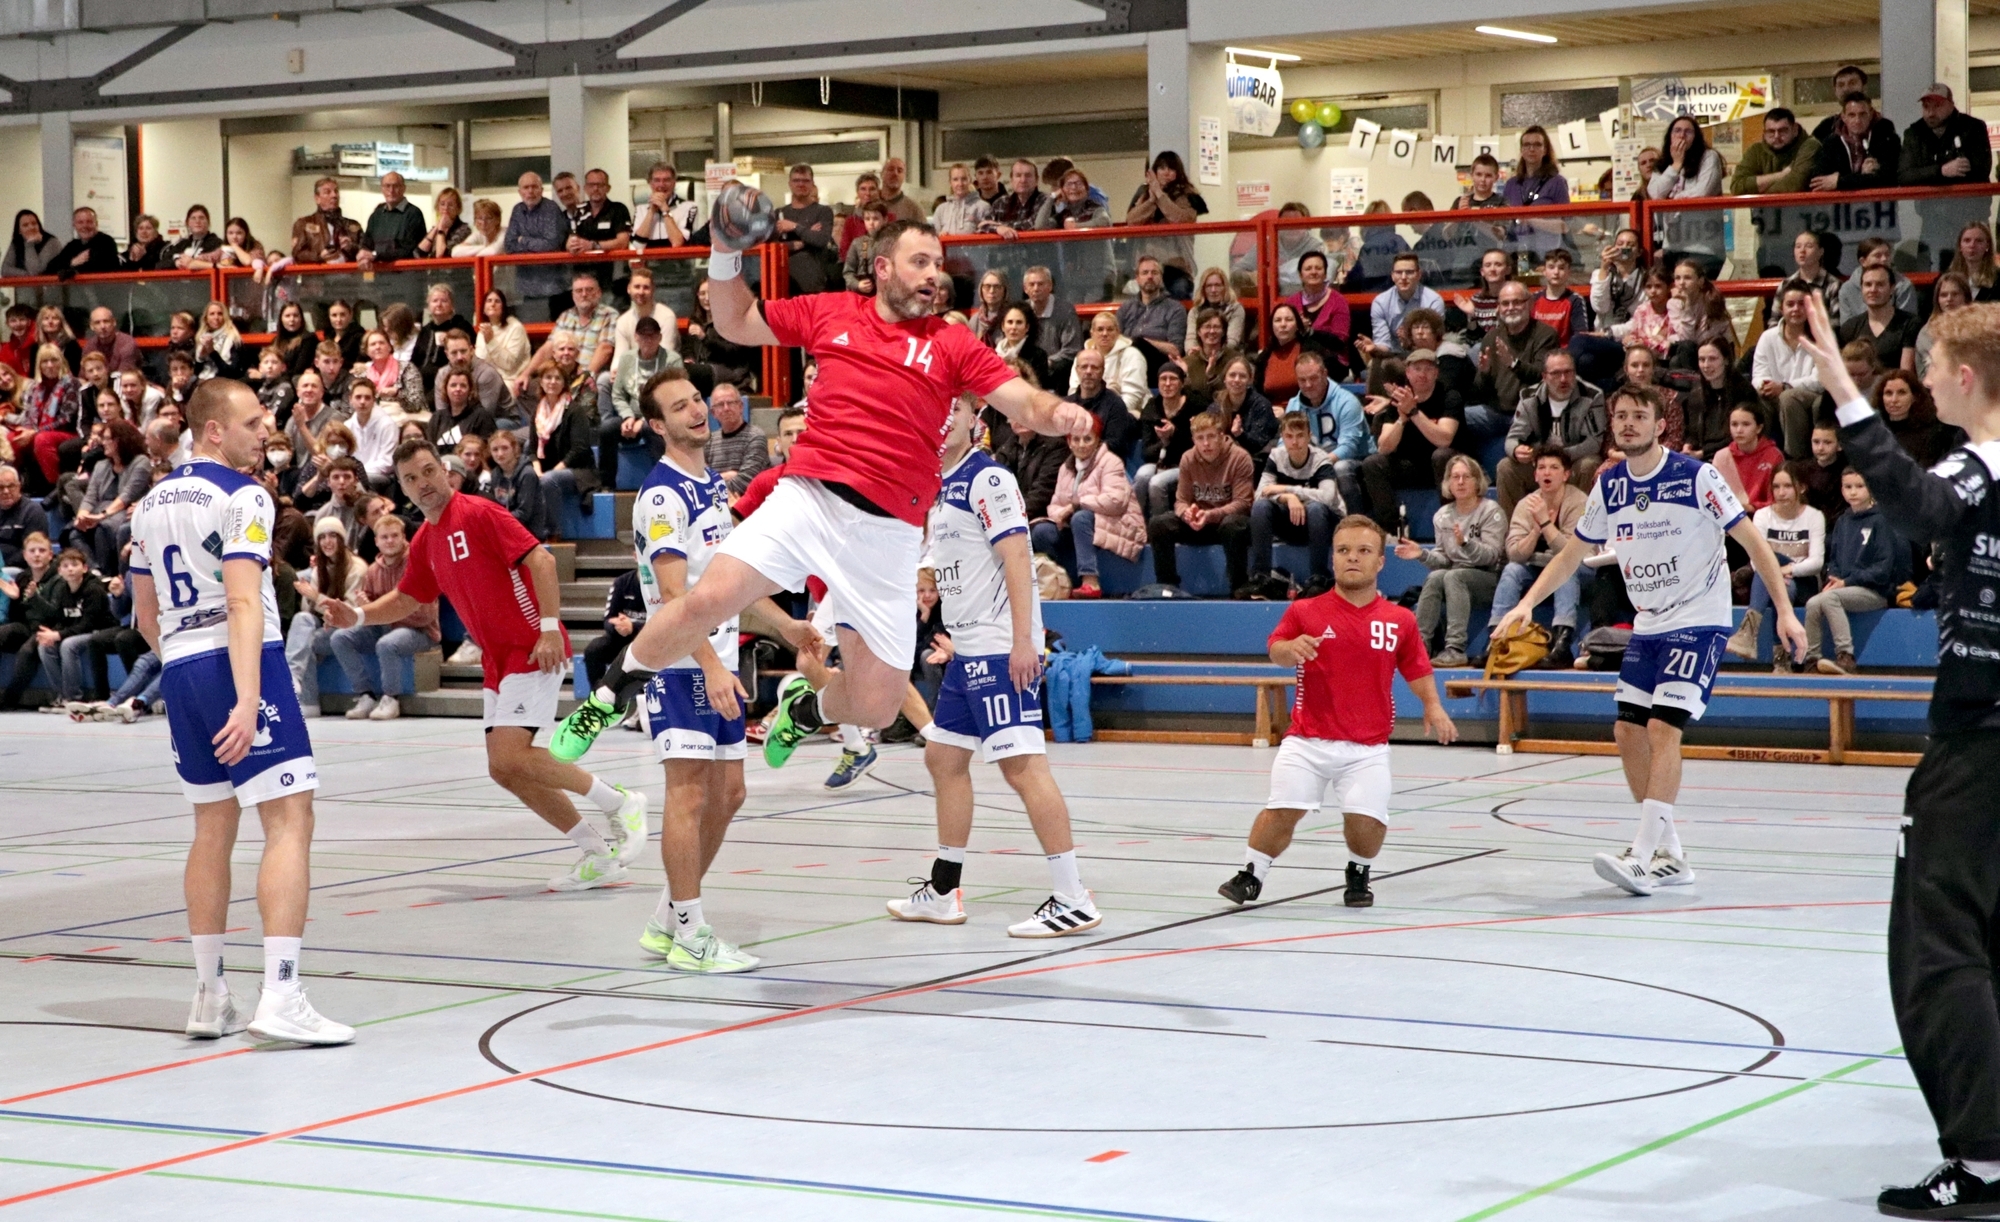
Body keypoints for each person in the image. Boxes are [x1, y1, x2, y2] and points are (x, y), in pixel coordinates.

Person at [616, 210, 1090, 767]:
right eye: (919, 262)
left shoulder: (951, 343)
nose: (933, 274)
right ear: (884, 268)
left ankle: (808, 710)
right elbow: (737, 320)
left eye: (937, 265)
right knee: (710, 598)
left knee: (878, 706)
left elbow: (1026, 401)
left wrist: (1061, 413)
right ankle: (608, 693)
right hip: (811, 498)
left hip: (888, 532)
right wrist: (723, 250)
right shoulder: (833, 312)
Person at [1767, 298, 2000, 1215]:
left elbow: (1924, 506)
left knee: (1937, 946)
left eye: (1934, 365)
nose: (1927, 380)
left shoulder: (1980, 463)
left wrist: (1842, 390)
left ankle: (1982, 1162)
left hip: (1981, 731)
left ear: (1968, 376)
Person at [1496, 383, 1806, 895]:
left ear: (1660, 425)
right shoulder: (1610, 486)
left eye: (1639, 416)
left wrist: (1787, 614)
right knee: (1626, 733)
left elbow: (1755, 544)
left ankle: (1641, 854)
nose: (1628, 424)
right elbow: (1573, 554)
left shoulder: (1696, 477)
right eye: (1620, 416)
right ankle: (1672, 854)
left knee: (1664, 729)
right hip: (1649, 622)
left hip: (1700, 619)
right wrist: (1527, 603)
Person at [125, 378, 353, 1045]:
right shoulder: (243, 495)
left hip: (183, 663)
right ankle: (281, 994)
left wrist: (187, 662)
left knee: (211, 825)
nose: (266, 433)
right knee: (290, 818)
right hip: (237, 661)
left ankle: (208, 994)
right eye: (253, 422)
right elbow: (246, 601)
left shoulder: (147, 506)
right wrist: (250, 695)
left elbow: (144, 615)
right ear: (214, 430)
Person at [322, 438, 648, 890]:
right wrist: (356, 615)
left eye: (428, 471)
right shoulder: (426, 540)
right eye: (411, 479)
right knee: (503, 768)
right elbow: (410, 597)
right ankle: (597, 853)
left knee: (512, 755)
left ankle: (619, 802)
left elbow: (542, 560)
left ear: (445, 471)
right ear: (402, 488)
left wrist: (550, 628)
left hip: (531, 645)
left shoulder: (479, 513)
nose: (423, 484)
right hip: (496, 658)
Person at [873, 394, 1103, 934]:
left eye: (950, 412)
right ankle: (944, 888)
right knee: (944, 758)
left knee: (1023, 768)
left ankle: (1073, 897)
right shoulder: (944, 483)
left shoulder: (987, 478)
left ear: (975, 420)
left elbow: (1019, 555)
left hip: (1002, 649)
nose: (939, 422)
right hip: (970, 649)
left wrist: (1025, 640)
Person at [1217, 514, 1457, 908]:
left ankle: (1358, 873)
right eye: (1343, 550)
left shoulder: (1399, 620)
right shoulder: (1305, 611)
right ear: (1333, 558)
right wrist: (1289, 650)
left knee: (1366, 823)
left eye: (1364, 551)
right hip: (1307, 740)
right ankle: (1251, 875)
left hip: (1367, 748)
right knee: (1282, 809)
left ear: (1380, 562)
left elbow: (1416, 667)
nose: (1352, 558)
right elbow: (1275, 646)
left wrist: (1433, 706)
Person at [1799, 467, 1903, 677]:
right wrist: (1833, 578)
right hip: (1844, 588)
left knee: (1829, 599)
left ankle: (1846, 657)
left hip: (1874, 591)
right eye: (1848, 487)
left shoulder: (1881, 521)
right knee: (1813, 603)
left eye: (1859, 486)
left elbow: (1883, 568)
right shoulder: (1843, 522)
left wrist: (1846, 583)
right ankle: (1811, 659)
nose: (1853, 492)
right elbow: (1834, 560)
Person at [1726, 463, 1825, 670]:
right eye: (1776, 487)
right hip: (1777, 583)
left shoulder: (1814, 516)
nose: (1781, 493)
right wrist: (1775, 572)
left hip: (1804, 584)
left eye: (1788, 486)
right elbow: (1755, 560)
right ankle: (1781, 661)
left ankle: (1748, 633)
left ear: (1802, 488)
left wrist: (1785, 569)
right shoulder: (1763, 516)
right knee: (1773, 575)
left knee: (1769, 560)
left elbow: (1816, 563)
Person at [1034, 415, 1144, 599]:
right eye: (1076, 439)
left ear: (1097, 441)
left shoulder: (1111, 461)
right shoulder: (1066, 467)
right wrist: (1059, 515)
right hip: (1080, 527)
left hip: (1117, 523)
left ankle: (1090, 581)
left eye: (1087, 439)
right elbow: (1055, 504)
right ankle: (1062, 582)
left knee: (1081, 517)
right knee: (1042, 531)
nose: (1081, 444)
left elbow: (1116, 501)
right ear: (1069, 442)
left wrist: (1074, 506)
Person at [1146, 410, 1253, 593]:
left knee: (1234, 525)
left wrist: (1210, 515)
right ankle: (1167, 586)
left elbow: (1243, 503)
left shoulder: (1240, 458)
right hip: (1198, 522)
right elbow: (1180, 500)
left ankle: (1239, 586)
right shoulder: (1188, 458)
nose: (1206, 443)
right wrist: (1186, 513)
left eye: (1211, 437)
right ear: (1193, 439)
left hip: (1226, 523)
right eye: (1200, 438)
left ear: (1221, 436)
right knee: (1159, 524)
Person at [1359, 348, 1461, 531]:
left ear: (1436, 373)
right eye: (1417, 368)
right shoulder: (1398, 400)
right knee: (1372, 463)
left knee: (1441, 455)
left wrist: (1413, 412)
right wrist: (1401, 420)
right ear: (1408, 372)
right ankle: (1392, 528)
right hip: (1411, 466)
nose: (1423, 374)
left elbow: (1444, 439)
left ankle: (1452, 522)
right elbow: (1384, 447)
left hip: (1445, 466)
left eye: (1428, 369)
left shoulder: (1449, 396)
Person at [1900, 82, 1995, 271]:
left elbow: (1979, 170)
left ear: (1951, 105)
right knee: (1934, 274)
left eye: (1937, 106)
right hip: (1933, 220)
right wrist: (1941, 170)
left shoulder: (1973, 127)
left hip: (1971, 217)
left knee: (1977, 272)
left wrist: (1927, 173)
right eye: (1926, 107)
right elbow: (1905, 176)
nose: (1930, 113)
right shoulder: (1914, 133)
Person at [1246, 414, 1340, 593]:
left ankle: (1319, 578)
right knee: (1261, 507)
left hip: (1323, 524)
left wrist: (1289, 489)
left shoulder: (1321, 459)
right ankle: (1261, 578)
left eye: (1300, 436)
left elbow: (1329, 497)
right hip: (1291, 522)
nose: (1295, 442)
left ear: (1309, 436)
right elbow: (1261, 494)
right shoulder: (1276, 456)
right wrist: (1288, 498)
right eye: (1289, 436)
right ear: (1282, 437)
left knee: (1315, 508)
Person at [1131, 360, 1203, 513]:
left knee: (1157, 483)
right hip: (1159, 461)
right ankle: (1137, 523)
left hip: (1186, 465)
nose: (1168, 383)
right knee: (1142, 475)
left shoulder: (1195, 406)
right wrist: (1164, 441)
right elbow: (1146, 452)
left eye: (1173, 379)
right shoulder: (1152, 407)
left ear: (1182, 383)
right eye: (1163, 379)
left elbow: (1197, 448)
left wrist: (1175, 435)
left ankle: (1160, 527)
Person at [1357, 253, 1444, 365]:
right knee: (1375, 366)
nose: (1403, 277)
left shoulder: (1433, 301)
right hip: (1393, 357)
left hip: (1426, 356)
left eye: (1409, 272)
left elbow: (1434, 343)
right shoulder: (1380, 302)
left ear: (1419, 275)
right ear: (1392, 276)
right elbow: (1384, 345)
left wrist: (1409, 342)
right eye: (1399, 272)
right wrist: (1374, 347)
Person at [1810, 91, 1901, 192]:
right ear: (1843, 117)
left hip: (1881, 206)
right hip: (1839, 206)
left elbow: (1889, 178)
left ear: (1871, 114)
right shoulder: (1830, 144)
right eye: (1852, 115)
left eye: (1862, 114)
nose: (1857, 120)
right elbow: (1818, 182)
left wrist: (1839, 181)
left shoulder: (1887, 139)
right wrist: (1863, 177)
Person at [1837, 264, 1920, 373]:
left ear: (1892, 288)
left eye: (1880, 284)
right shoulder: (1850, 328)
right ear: (1861, 288)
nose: (1873, 289)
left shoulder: (1910, 324)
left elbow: (1906, 373)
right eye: (1868, 284)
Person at [1728, 107, 1819, 195]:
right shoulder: (1755, 151)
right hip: (1764, 210)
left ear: (1795, 130)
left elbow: (1795, 185)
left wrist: (1758, 192)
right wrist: (1781, 175)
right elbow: (1737, 187)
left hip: (1803, 209)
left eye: (1782, 130)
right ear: (1764, 132)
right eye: (1771, 131)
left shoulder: (1810, 145)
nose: (1776, 136)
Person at [1713, 404, 1785, 511]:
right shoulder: (1721, 457)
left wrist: (1751, 507)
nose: (1739, 430)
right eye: (1734, 424)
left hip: (1765, 518)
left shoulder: (1774, 456)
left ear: (1759, 428)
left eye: (1746, 424)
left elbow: (1779, 499)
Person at [356, 171, 426, 265]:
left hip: (406, 275)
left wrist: (375, 255)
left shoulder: (414, 214)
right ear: (382, 189)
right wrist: (363, 254)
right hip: (379, 275)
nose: (391, 190)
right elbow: (367, 243)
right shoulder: (376, 216)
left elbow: (408, 250)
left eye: (396, 186)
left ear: (403, 188)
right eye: (387, 186)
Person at [633, 161, 699, 249]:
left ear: (674, 182)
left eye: (667, 180)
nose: (661, 185)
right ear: (650, 183)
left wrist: (665, 210)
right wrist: (651, 212)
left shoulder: (689, 207)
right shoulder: (640, 209)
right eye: (657, 180)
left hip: (678, 261)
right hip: (649, 261)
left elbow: (677, 243)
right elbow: (638, 245)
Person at [45, 207, 121, 277]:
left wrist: (69, 267)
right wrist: (72, 262)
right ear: (74, 225)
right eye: (80, 222)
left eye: (89, 222)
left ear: (96, 224)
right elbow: (50, 268)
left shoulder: (106, 242)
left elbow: (98, 267)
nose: (85, 226)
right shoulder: (72, 245)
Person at [81, 306, 139, 374]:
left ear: (114, 322)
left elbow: (124, 377)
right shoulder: (89, 346)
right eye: (97, 323)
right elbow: (83, 376)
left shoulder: (127, 343)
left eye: (106, 321)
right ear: (91, 326)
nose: (102, 326)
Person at [2, 209, 59, 278]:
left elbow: (35, 272)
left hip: (48, 287)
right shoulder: (17, 242)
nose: (31, 227)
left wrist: (29, 245)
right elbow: (5, 270)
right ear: (19, 230)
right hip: (24, 287)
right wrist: (25, 274)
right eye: (25, 225)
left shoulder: (51, 242)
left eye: (34, 223)